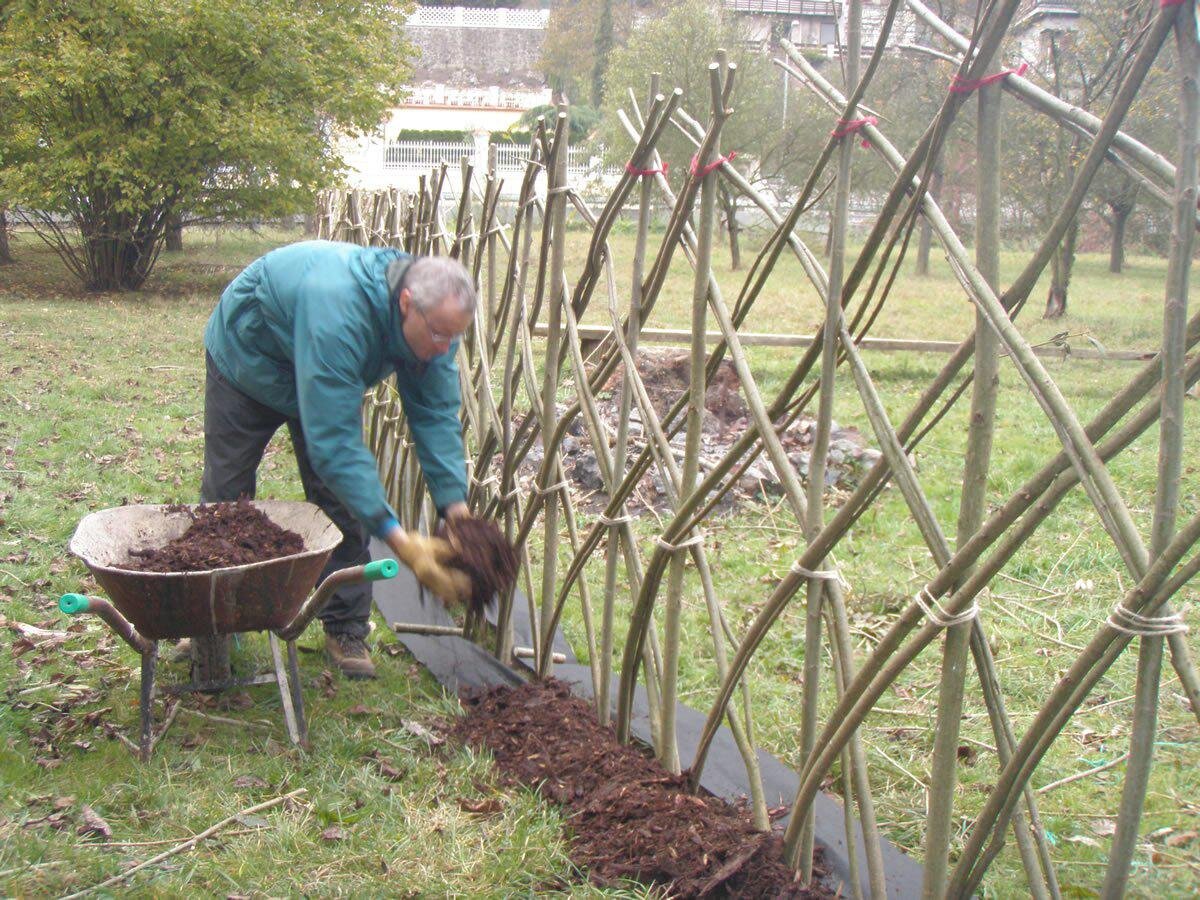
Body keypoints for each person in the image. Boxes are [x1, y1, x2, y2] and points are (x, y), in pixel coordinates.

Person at [201, 240, 475, 679]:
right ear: (407, 303)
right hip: (249, 360)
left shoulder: (435, 326)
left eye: (454, 336)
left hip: (322, 363)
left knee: (340, 504)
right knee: (227, 496)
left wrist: (457, 514)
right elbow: (335, 442)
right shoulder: (339, 307)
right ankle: (212, 623)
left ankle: (345, 628)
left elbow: (436, 415)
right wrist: (402, 543)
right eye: (440, 334)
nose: (446, 347)